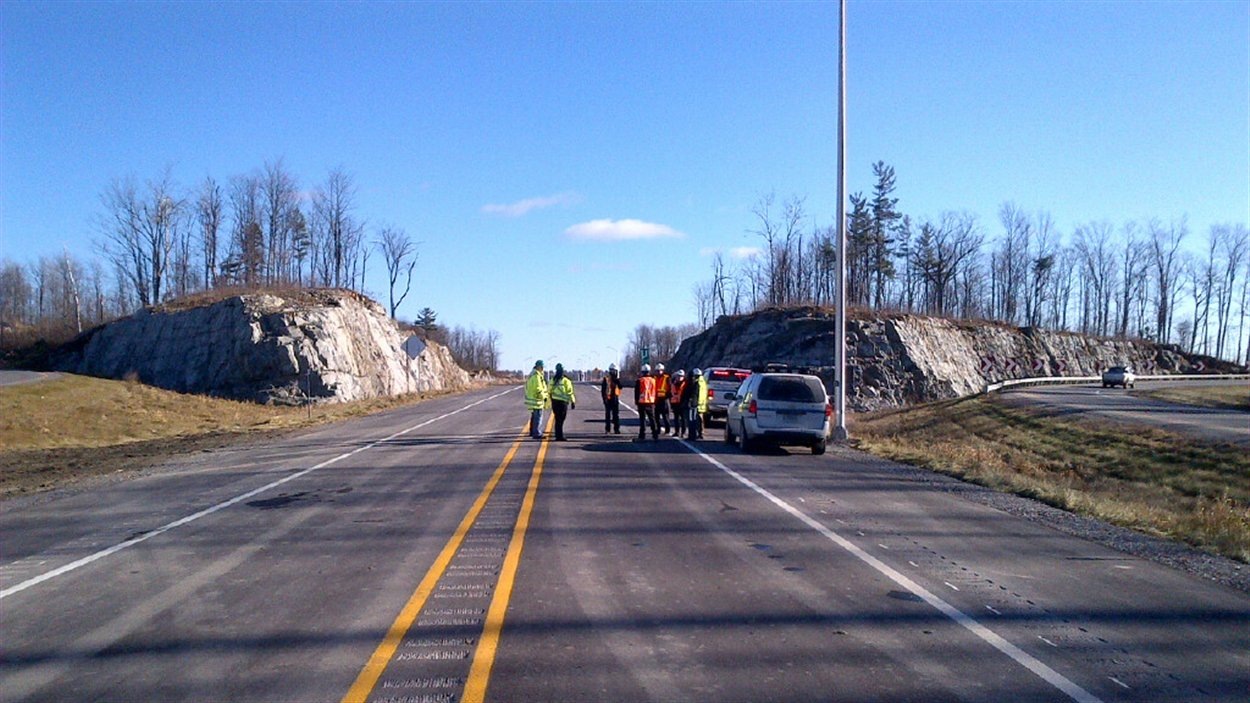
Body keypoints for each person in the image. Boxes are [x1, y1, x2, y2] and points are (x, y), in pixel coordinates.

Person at [549, 363, 576, 441]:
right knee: (561, 419)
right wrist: (573, 401)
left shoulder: (552, 380)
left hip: (555, 402)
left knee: (558, 419)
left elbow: (549, 391)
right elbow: (570, 392)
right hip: (562, 403)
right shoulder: (566, 381)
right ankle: (559, 436)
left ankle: (558, 435)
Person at [524, 360, 549, 439]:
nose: (542, 369)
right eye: (542, 367)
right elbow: (538, 389)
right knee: (538, 417)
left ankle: (532, 431)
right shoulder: (536, 376)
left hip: (533, 399)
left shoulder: (532, 375)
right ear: (538, 367)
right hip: (537, 400)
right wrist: (544, 397)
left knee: (534, 416)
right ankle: (537, 433)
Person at [634, 363, 659, 441]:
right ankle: (655, 435)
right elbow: (655, 391)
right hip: (651, 402)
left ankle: (642, 435)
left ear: (642, 372)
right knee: (652, 419)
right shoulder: (653, 380)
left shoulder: (640, 380)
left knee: (642, 419)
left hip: (642, 402)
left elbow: (637, 392)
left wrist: (636, 401)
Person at [601, 363, 622, 434]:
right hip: (608, 399)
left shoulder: (617, 379)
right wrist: (604, 399)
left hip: (615, 399)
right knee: (608, 415)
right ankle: (608, 429)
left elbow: (620, 387)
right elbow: (603, 390)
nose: (614, 372)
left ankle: (616, 429)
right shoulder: (606, 379)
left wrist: (618, 381)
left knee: (616, 415)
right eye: (613, 371)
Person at [689, 367, 708, 440]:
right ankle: (700, 433)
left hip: (697, 404)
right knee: (700, 420)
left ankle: (698, 434)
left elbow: (695, 393)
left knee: (695, 420)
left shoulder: (697, 383)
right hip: (702, 404)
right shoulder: (703, 382)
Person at [653, 362, 672, 435]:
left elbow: (670, 389)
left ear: (663, 370)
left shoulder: (667, 378)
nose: (659, 372)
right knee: (656, 417)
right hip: (656, 400)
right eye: (657, 371)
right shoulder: (654, 378)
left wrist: (668, 397)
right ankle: (658, 429)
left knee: (665, 416)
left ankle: (667, 429)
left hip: (664, 400)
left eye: (660, 370)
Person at [669, 369, 688, 438]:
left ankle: (683, 432)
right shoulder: (673, 384)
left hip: (682, 404)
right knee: (676, 419)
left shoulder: (686, 384)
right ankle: (677, 432)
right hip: (675, 404)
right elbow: (671, 394)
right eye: (678, 376)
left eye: (681, 376)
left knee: (683, 419)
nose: (680, 377)